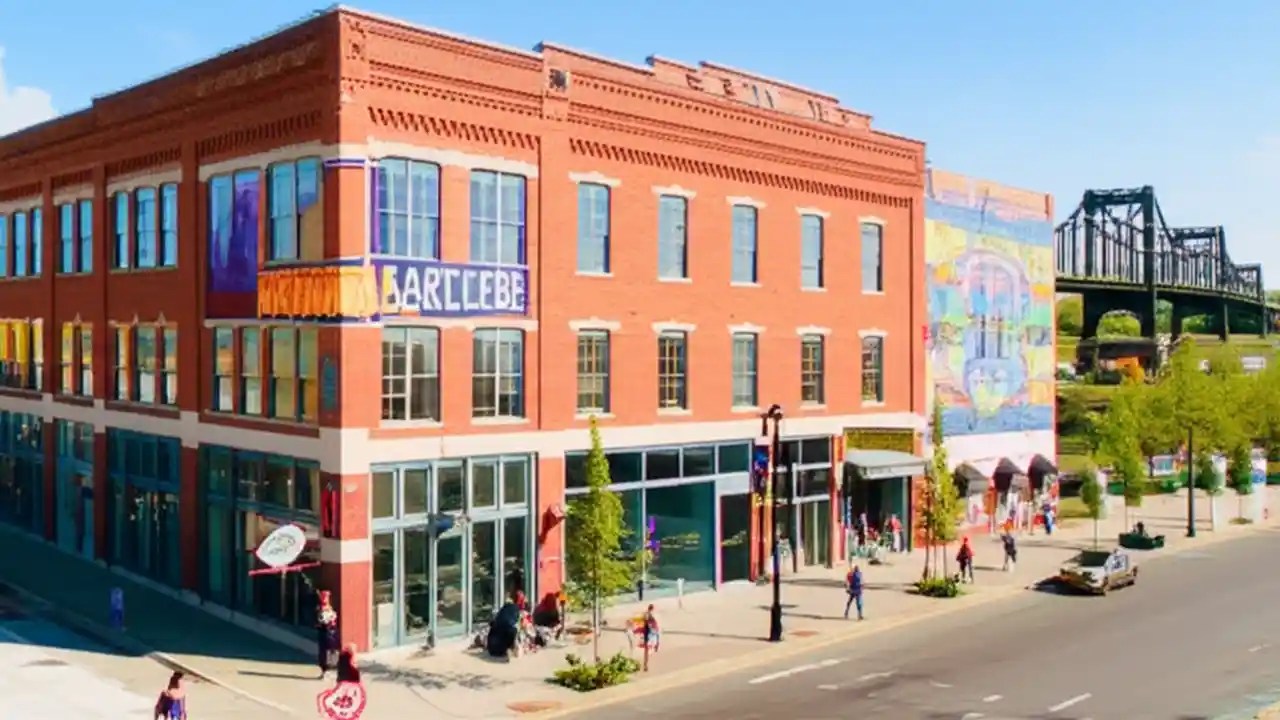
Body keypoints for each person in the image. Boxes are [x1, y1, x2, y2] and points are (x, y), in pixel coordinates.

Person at [316, 590, 339, 679]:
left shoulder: (330, 608)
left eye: (326, 597)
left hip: (331, 632)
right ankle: (325, 670)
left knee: (331, 652)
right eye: (324, 597)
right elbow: (320, 620)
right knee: (324, 652)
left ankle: (330, 670)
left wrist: (331, 618)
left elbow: (333, 619)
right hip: (324, 632)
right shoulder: (319, 608)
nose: (325, 599)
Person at [641, 604, 660, 671]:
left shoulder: (647, 614)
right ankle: (646, 665)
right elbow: (648, 621)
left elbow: (645, 621)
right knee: (648, 649)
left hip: (650, 632)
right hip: (650, 632)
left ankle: (645, 664)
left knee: (647, 650)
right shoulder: (649, 614)